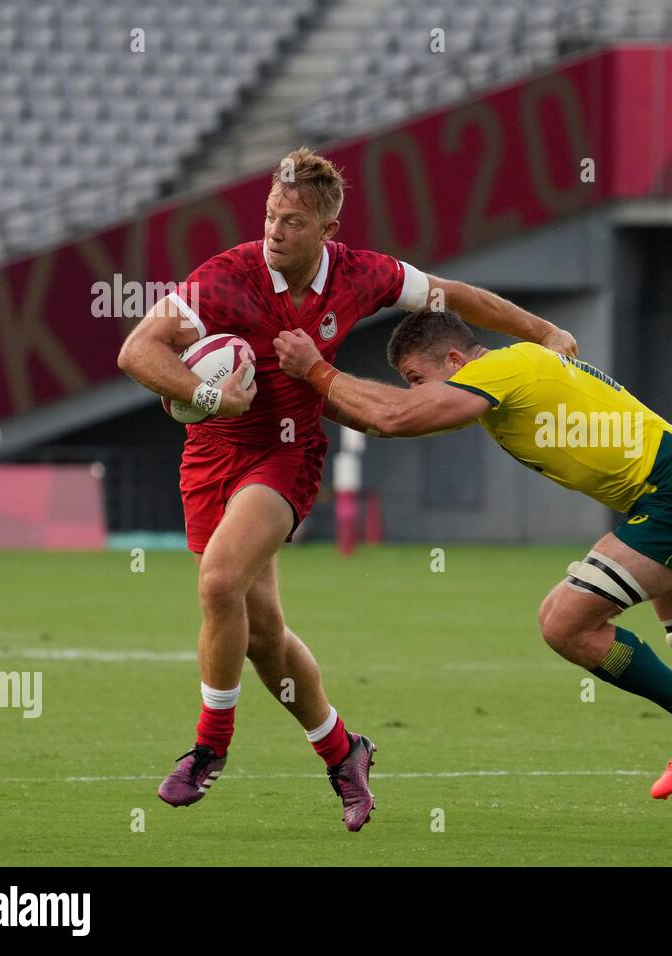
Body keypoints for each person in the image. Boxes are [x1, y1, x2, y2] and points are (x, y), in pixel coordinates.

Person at [271, 309, 672, 842]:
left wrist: (317, 370)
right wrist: (308, 390)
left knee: (565, 621)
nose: (414, 391)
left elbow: (395, 417)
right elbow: (386, 418)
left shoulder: (502, 368)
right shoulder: (513, 371)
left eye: (417, 377)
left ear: (457, 363)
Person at [117, 149, 577, 831]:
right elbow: (137, 352)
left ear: (327, 230)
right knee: (263, 636)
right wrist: (207, 392)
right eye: (271, 214)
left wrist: (541, 331)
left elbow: (458, 297)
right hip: (211, 455)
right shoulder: (226, 276)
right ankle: (343, 752)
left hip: (286, 455)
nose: (275, 231)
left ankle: (208, 748)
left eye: (293, 221)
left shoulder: (364, 275)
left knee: (219, 585)